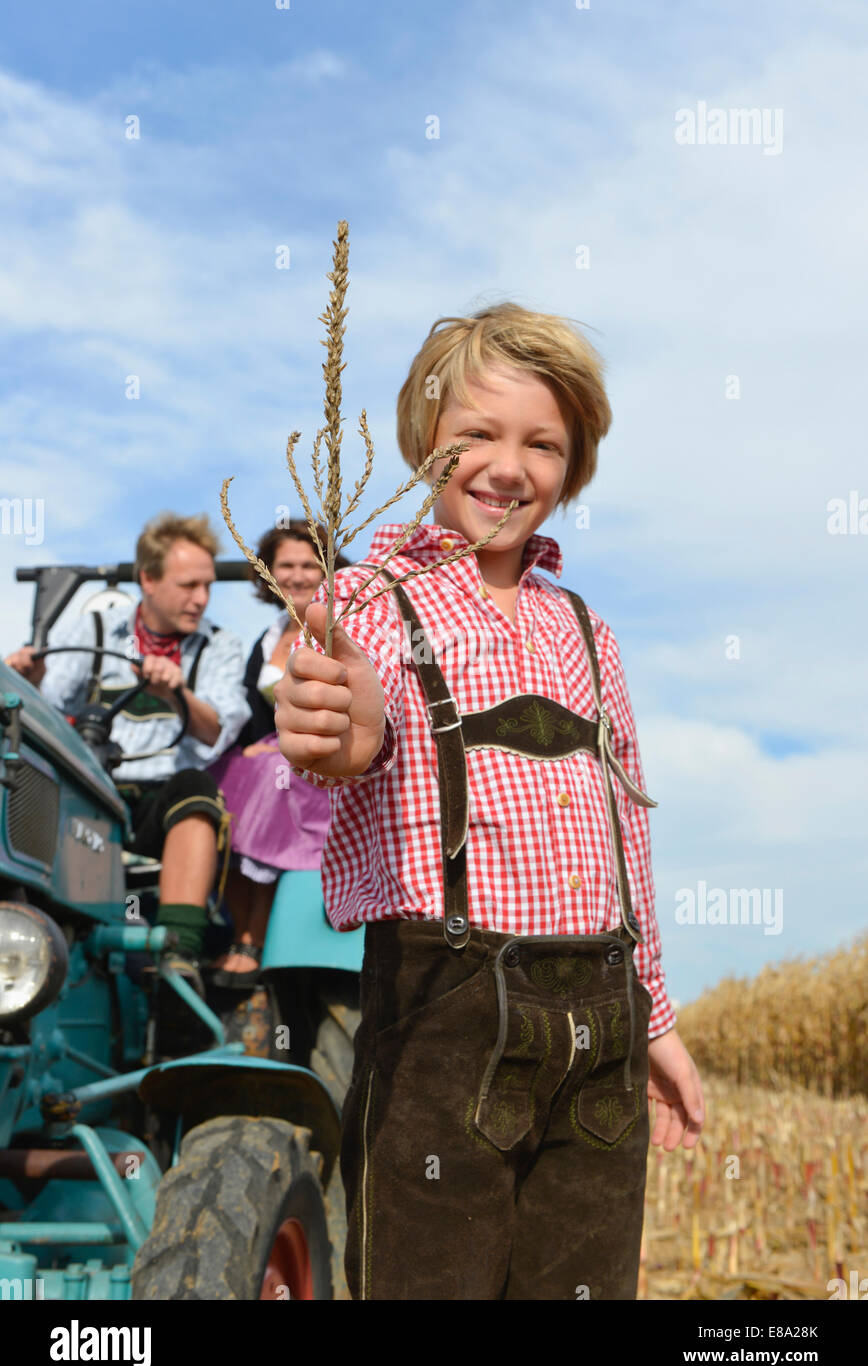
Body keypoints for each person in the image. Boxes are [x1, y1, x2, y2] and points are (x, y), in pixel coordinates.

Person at [275, 301, 705, 1301]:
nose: (507, 467)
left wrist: (656, 1018)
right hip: (443, 1013)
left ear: (574, 465)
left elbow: (624, 836)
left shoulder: (591, 636)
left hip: (599, 1023)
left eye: (542, 444)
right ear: (424, 442)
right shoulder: (368, 604)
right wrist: (338, 728)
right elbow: (332, 726)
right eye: (474, 434)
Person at [5, 512, 250, 1004]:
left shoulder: (218, 646)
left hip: (161, 804)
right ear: (148, 580)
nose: (201, 598)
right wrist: (27, 677)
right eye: (188, 585)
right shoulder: (96, 628)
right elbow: (49, 707)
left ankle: (177, 955)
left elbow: (218, 728)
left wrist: (179, 694)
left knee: (197, 791)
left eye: (207, 585)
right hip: (93, 792)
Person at [207, 520, 344, 985]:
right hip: (268, 755)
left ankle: (257, 939)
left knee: (265, 778)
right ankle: (234, 928)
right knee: (214, 779)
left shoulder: (340, 633)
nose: (299, 575)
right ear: (270, 573)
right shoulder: (267, 639)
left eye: (311, 564)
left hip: (321, 761)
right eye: (287, 565)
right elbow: (247, 717)